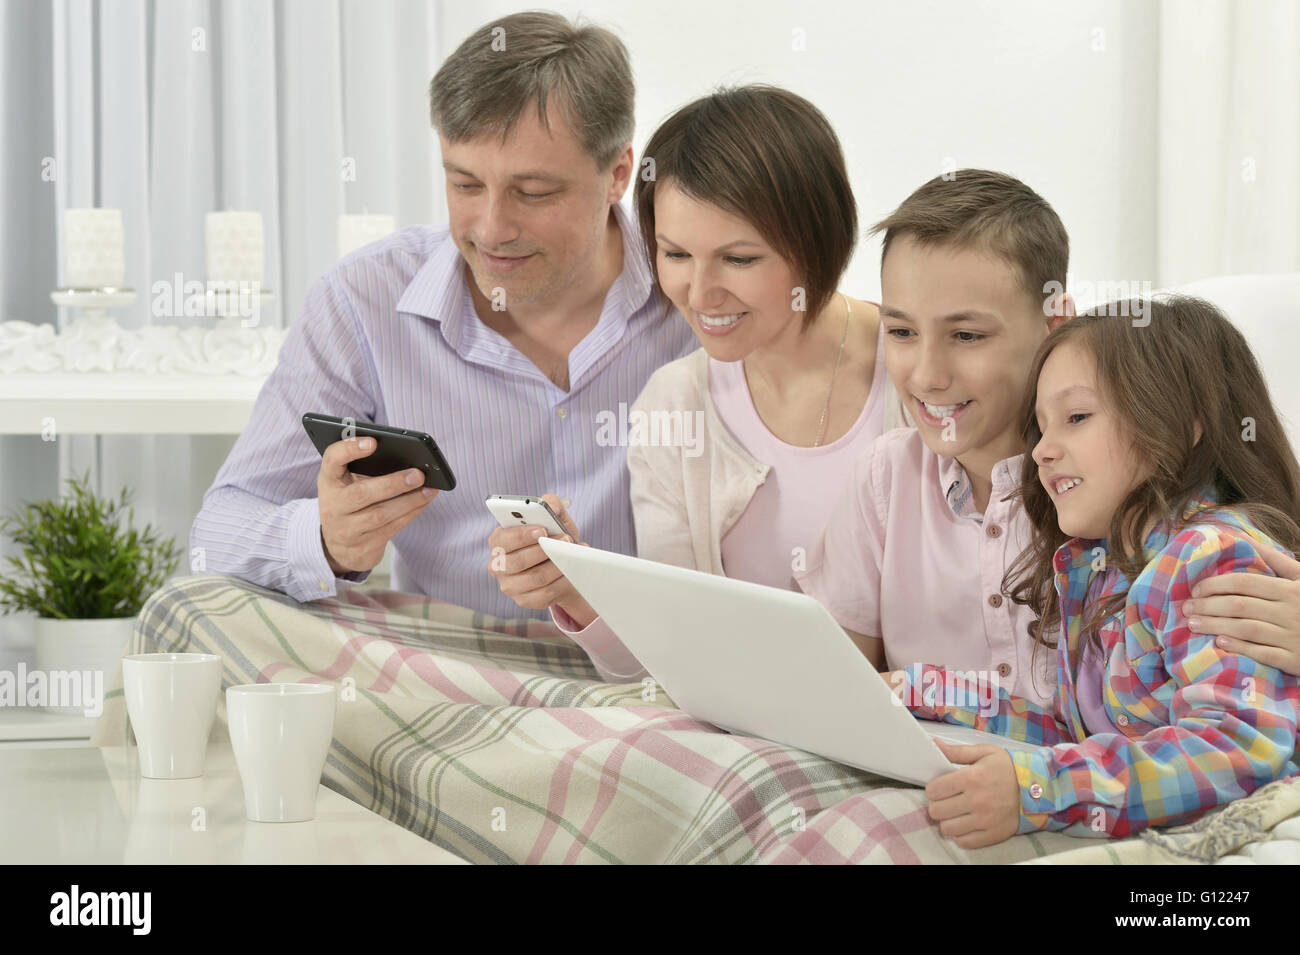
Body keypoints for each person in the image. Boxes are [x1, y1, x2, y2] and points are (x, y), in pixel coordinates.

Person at [189, 12, 695, 614]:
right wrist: (326, 539)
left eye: (534, 193)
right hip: (447, 669)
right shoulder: (363, 301)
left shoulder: (698, 295)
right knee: (185, 617)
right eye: (465, 185)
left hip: (649, 670)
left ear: (617, 174)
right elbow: (218, 532)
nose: (492, 229)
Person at [796, 169, 1300, 710]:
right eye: (901, 332)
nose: (927, 375)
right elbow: (833, 691)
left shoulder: (1124, 489)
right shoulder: (885, 477)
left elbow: (1222, 734)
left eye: (966, 335)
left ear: (1055, 323)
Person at [487, 85, 908, 680]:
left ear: (818, 242)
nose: (700, 293)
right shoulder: (674, 403)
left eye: (739, 260)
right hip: (752, 735)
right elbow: (667, 658)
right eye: (676, 254)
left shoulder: (920, 376)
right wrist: (578, 587)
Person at [891, 295, 1300, 846]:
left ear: (1187, 425)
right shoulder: (1097, 568)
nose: (1041, 452)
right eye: (1040, 430)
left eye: (1077, 418)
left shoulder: (1209, 556)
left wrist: (1041, 791)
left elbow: (1238, 747)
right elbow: (1073, 736)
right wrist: (926, 690)